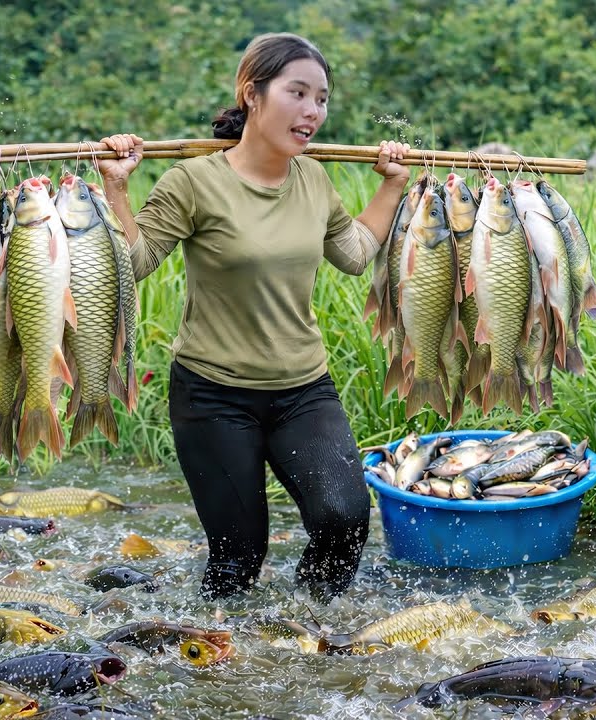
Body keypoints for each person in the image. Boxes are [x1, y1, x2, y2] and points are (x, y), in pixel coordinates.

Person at [96, 32, 411, 601]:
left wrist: (392, 186)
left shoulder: (313, 178)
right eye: (298, 93)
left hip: (302, 390)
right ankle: (222, 660)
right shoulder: (194, 182)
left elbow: (354, 253)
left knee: (344, 519)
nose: (313, 111)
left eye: (322, 98)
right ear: (252, 94)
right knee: (239, 557)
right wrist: (116, 189)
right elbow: (135, 263)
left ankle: (310, 635)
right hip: (214, 395)